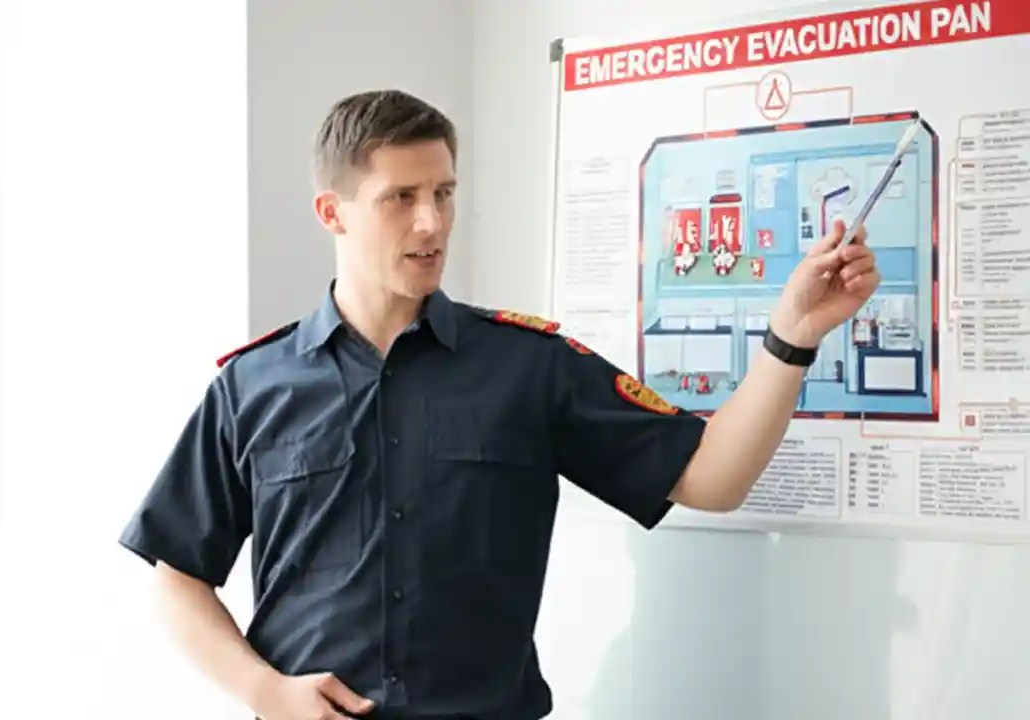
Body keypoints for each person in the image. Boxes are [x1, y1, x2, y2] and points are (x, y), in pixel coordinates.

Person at [118, 89, 880, 720]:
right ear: (333, 212)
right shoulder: (251, 386)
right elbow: (178, 571)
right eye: (401, 198)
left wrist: (793, 335)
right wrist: (266, 693)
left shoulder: (530, 367)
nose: (432, 222)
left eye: (444, 193)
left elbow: (713, 478)